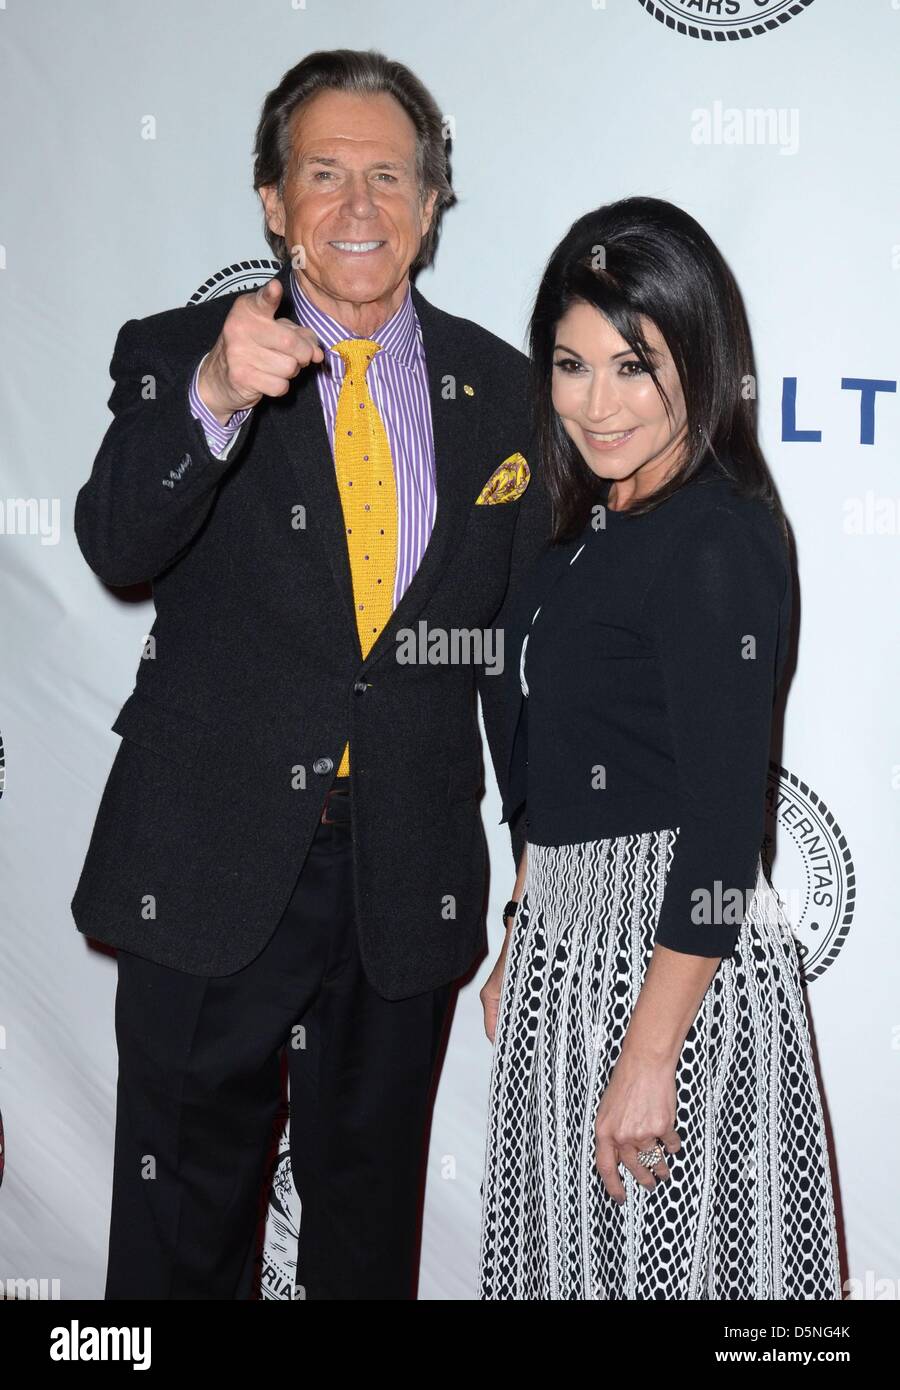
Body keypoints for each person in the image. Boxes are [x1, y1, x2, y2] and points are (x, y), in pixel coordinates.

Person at [71, 47, 549, 1300]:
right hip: (207, 860)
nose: (357, 206)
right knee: (178, 1241)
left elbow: (508, 654)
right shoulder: (178, 350)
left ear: (432, 204)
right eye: (323, 173)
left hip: (404, 869)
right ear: (272, 202)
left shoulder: (504, 394)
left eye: (389, 175)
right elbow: (115, 543)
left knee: (363, 1240)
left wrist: (535, 882)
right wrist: (217, 395)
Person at [477, 196, 841, 1300]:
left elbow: (727, 825)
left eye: (634, 365)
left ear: (699, 356)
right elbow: (546, 753)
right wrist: (520, 927)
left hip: (673, 971)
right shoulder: (575, 531)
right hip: (563, 960)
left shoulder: (717, 534)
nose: (599, 403)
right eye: (571, 365)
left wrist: (650, 1052)